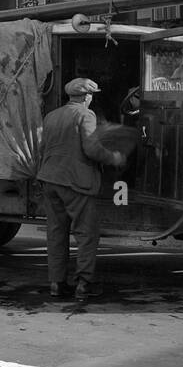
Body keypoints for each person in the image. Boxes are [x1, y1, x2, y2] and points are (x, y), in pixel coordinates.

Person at [38, 77, 126, 301]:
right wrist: (114, 157)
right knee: (86, 234)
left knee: (56, 233)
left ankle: (56, 284)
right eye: (92, 95)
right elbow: (91, 149)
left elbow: (43, 148)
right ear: (87, 97)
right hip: (76, 182)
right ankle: (83, 284)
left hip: (50, 179)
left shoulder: (51, 116)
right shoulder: (85, 115)